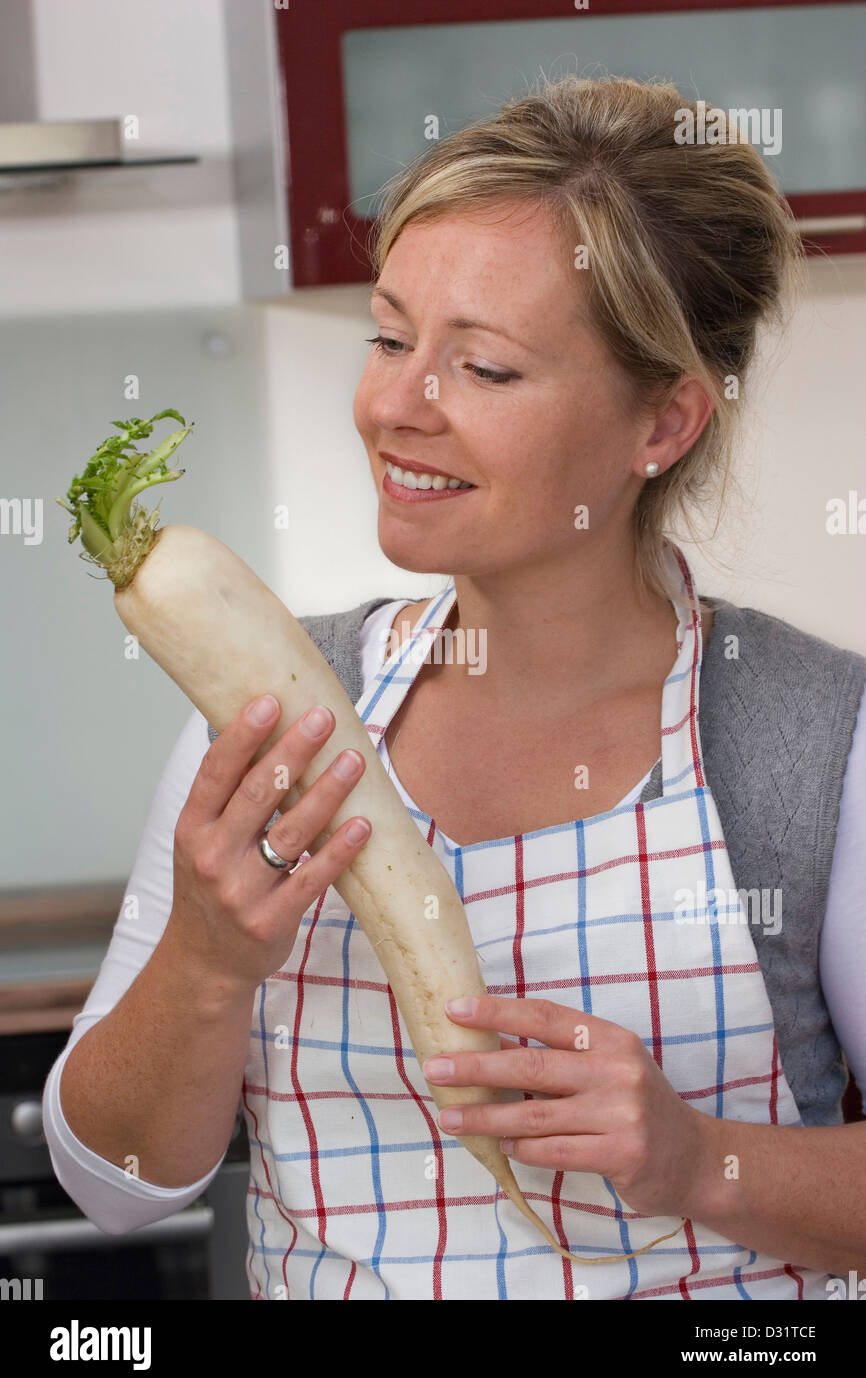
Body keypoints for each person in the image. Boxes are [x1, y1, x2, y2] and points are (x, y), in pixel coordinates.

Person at [44, 74, 866, 1299]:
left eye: (480, 369)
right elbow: (113, 1184)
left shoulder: (810, 738)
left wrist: (699, 1161)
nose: (392, 407)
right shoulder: (269, 704)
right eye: (388, 337)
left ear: (662, 424)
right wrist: (206, 961)